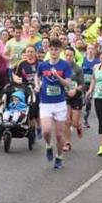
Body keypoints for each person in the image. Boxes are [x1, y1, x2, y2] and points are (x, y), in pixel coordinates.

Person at [35, 39, 73, 169]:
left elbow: (68, 83)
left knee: (59, 135)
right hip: (45, 102)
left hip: (59, 103)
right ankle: (48, 145)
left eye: (56, 49)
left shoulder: (65, 66)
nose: (53, 52)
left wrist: (57, 76)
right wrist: (37, 84)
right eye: (51, 49)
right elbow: (37, 76)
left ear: (60, 51)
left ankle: (59, 156)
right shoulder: (43, 65)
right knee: (46, 131)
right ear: (48, 50)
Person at [62, 47, 85, 153]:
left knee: (74, 123)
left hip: (76, 96)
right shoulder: (61, 67)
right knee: (66, 121)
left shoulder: (77, 69)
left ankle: (78, 126)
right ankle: (67, 143)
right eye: (67, 55)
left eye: (70, 55)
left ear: (74, 56)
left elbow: (82, 85)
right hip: (65, 96)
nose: (68, 57)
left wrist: (75, 90)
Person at [81, 44, 100, 128]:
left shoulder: (97, 61)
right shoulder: (82, 60)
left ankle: (85, 120)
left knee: (88, 101)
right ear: (86, 50)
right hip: (82, 83)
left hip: (92, 84)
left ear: (95, 51)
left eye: (92, 48)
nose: (90, 50)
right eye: (89, 48)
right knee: (82, 101)